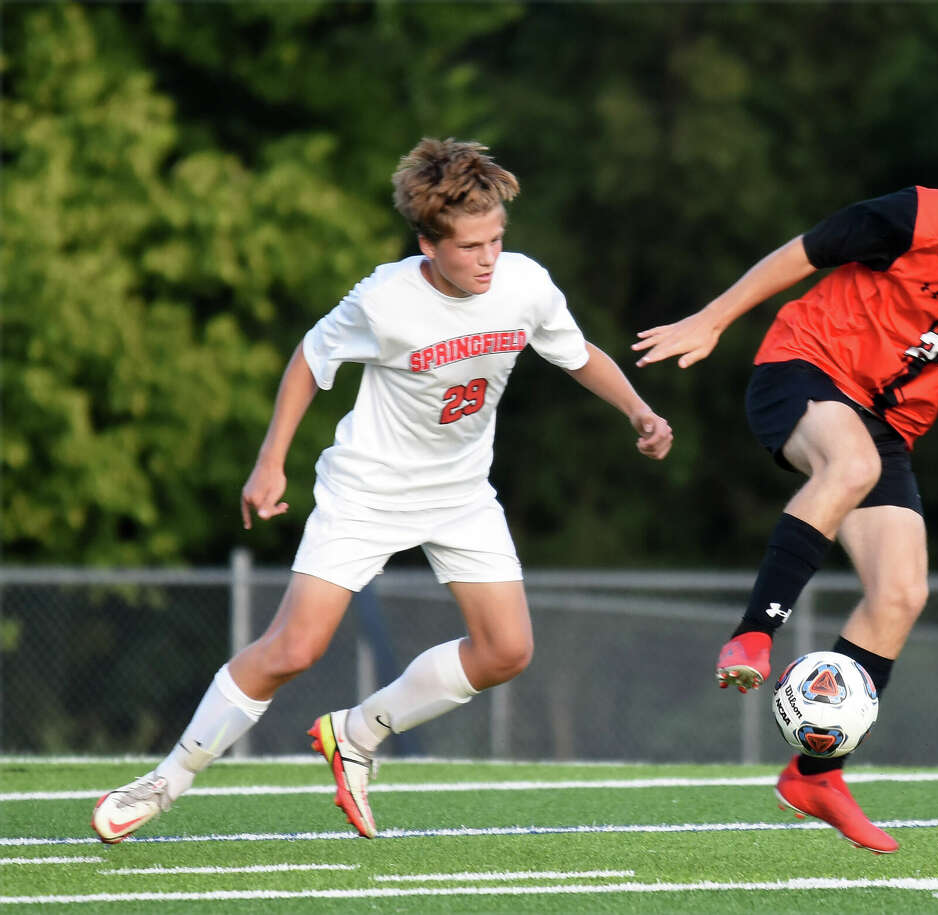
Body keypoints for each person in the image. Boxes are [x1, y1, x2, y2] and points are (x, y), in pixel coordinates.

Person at [92, 137, 673, 843]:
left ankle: (357, 733)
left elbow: (578, 354)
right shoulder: (384, 299)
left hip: (460, 491)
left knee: (507, 649)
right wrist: (270, 461)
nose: (488, 257)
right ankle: (164, 781)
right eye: (470, 246)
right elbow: (310, 358)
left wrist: (639, 410)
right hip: (367, 490)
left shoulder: (525, 284)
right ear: (428, 244)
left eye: (496, 239)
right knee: (293, 649)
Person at [632, 144, 938, 853]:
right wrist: (714, 318)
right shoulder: (919, 217)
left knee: (901, 592)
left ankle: (816, 775)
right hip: (804, 366)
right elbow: (805, 252)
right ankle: (754, 632)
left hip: (889, 419)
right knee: (851, 463)